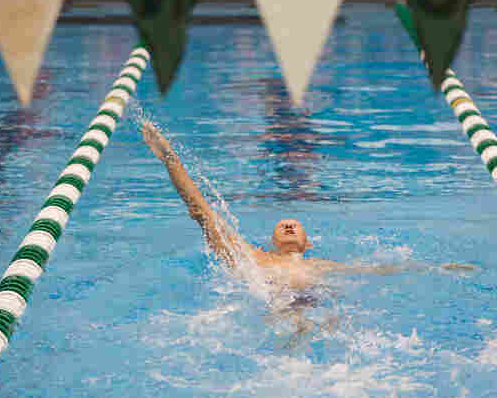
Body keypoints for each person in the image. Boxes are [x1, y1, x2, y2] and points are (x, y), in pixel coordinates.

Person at [141, 121, 474, 344]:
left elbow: (384, 270)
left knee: (334, 332)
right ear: (271, 241)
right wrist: (169, 158)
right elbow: (202, 213)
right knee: (297, 330)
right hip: (276, 306)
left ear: (307, 242)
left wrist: (437, 269)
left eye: (295, 224)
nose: (288, 224)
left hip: (322, 307)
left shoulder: (324, 267)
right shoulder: (253, 257)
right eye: (282, 224)